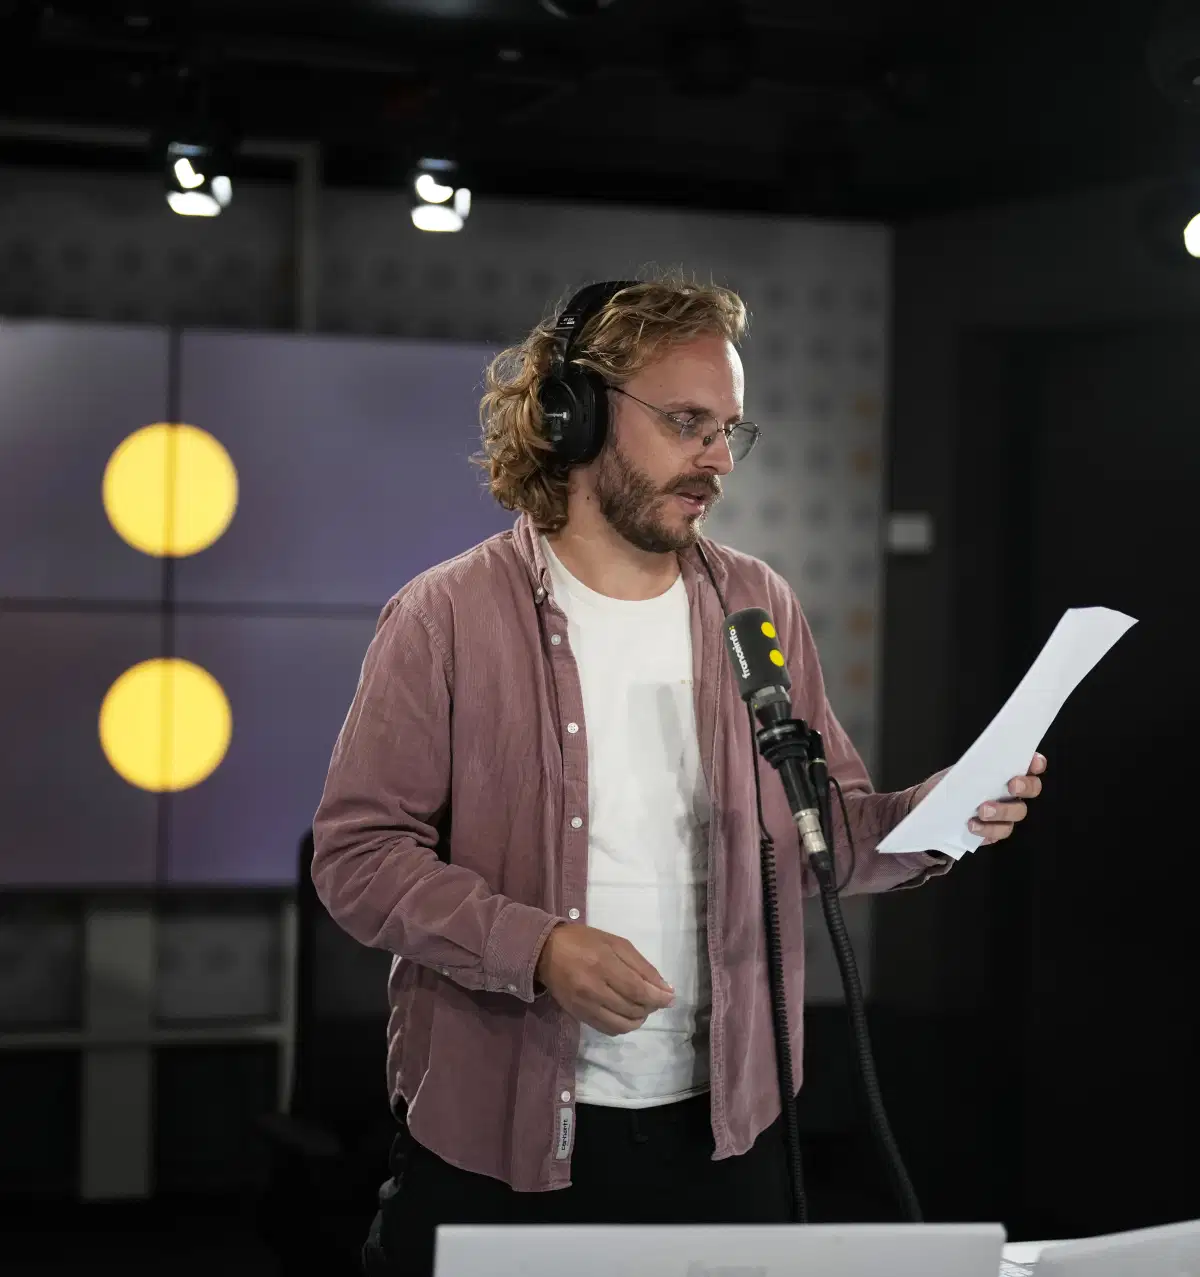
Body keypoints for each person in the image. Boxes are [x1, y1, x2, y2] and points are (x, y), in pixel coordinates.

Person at [311, 274, 1046, 1276]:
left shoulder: (758, 603)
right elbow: (357, 857)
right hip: (505, 1139)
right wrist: (539, 946)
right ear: (572, 416)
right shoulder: (444, 616)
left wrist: (944, 811)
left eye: (728, 430)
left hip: (727, 1133)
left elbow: (820, 829)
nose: (715, 459)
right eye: (687, 422)